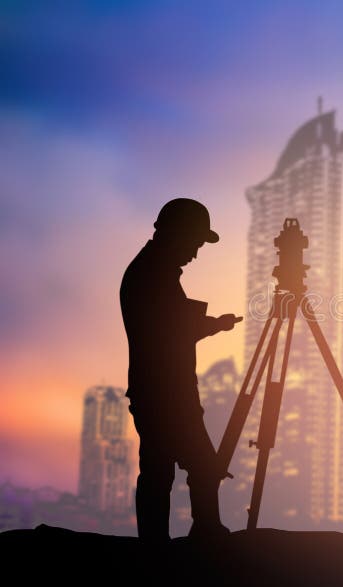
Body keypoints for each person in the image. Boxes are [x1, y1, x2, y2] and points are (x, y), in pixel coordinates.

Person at [120, 198, 242, 541]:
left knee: (167, 470)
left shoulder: (153, 271)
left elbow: (172, 325)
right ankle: (199, 535)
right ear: (177, 234)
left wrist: (211, 324)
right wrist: (214, 325)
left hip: (164, 392)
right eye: (195, 242)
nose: (196, 252)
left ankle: (178, 537)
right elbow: (171, 330)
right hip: (165, 395)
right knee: (194, 466)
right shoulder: (152, 274)